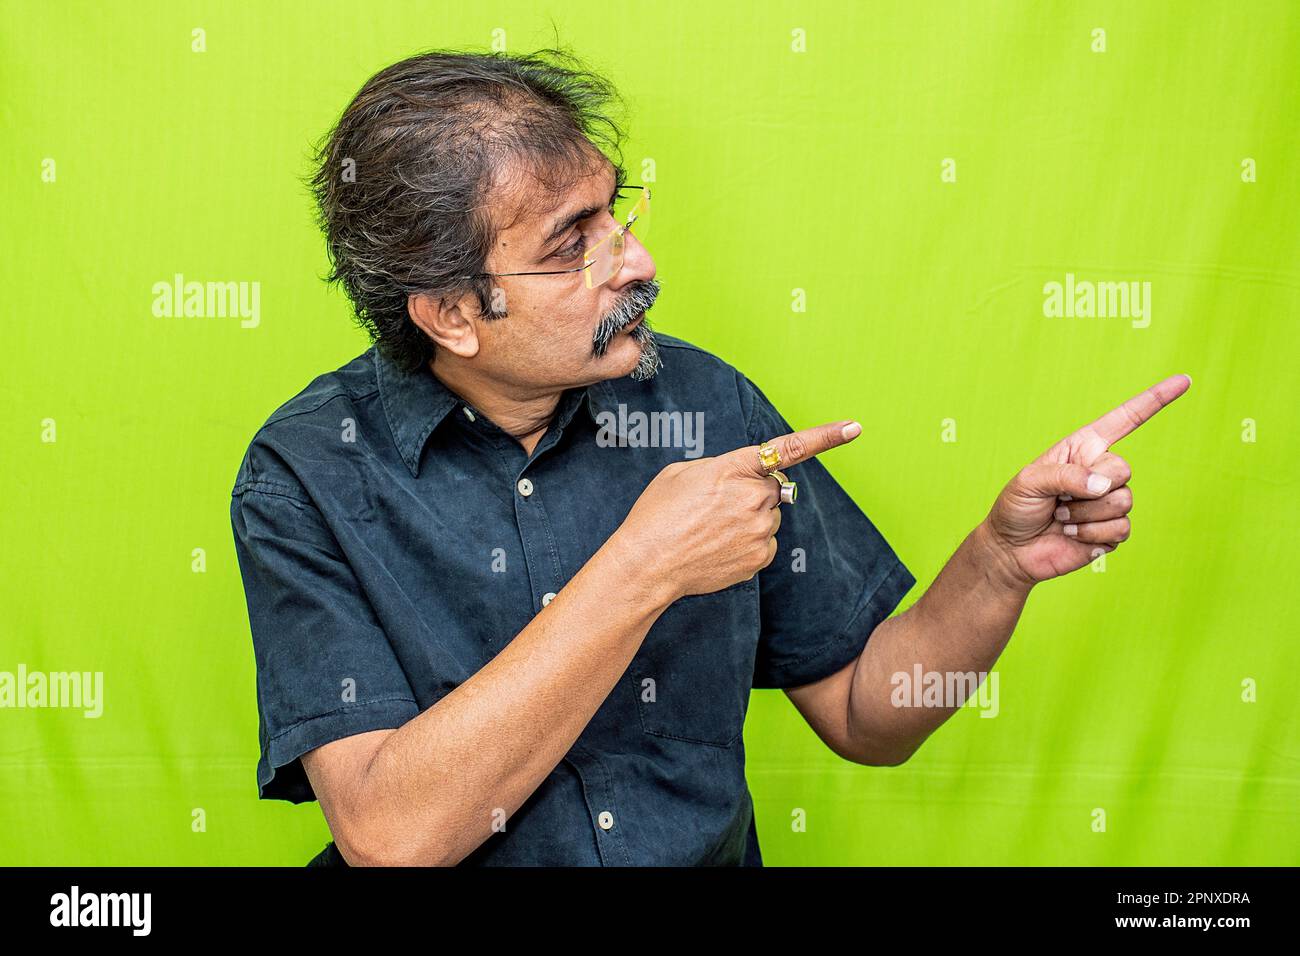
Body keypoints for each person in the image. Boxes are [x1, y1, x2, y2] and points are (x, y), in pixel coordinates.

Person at [230, 47, 1187, 867]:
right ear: (451, 314)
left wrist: (999, 564)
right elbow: (391, 836)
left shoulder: (703, 405)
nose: (636, 262)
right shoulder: (307, 474)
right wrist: (646, 565)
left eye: (615, 212)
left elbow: (868, 714)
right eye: (571, 246)